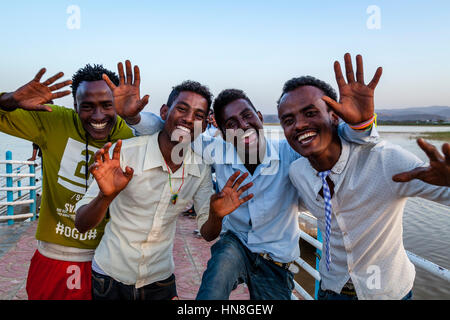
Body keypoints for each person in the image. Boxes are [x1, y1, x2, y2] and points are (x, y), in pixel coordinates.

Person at [124, 68, 378, 300]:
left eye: (247, 116)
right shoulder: (218, 152)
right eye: (231, 124)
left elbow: (334, 139)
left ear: (258, 116)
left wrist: (361, 124)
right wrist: (134, 118)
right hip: (235, 245)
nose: (243, 126)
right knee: (213, 288)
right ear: (222, 133)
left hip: (276, 262)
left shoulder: (289, 154)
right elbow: (174, 129)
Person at [278, 53, 450, 300]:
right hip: (331, 291)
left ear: (335, 115)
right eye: (288, 120)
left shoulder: (385, 160)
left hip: (388, 294)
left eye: (310, 113)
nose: (299, 125)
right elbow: (303, 205)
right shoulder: (298, 173)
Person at [75, 80, 253, 300]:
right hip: (110, 276)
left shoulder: (200, 168)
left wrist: (216, 216)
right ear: (165, 111)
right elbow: (81, 224)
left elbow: (208, 234)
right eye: (182, 109)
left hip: (160, 279)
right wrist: (105, 197)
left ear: (205, 126)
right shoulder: (125, 153)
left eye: (198, 115)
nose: (188, 119)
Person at [0, 61, 156, 300]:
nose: (98, 116)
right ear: (74, 105)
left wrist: (135, 119)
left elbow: (175, 141)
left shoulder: (130, 135)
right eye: (87, 106)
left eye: (107, 105)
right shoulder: (52, 121)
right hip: (54, 260)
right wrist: (10, 100)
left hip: (110, 263)